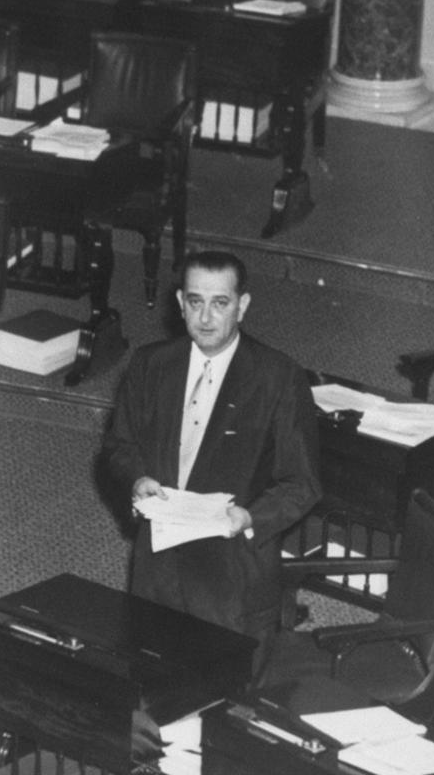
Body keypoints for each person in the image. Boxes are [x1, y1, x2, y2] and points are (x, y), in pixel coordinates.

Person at [98, 249, 320, 645]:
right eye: (196, 302)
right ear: (181, 303)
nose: (205, 318)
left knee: (224, 686)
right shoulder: (150, 365)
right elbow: (119, 444)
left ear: (242, 305)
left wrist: (250, 518)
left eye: (220, 303)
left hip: (231, 567)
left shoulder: (279, 378)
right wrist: (136, 480)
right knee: (150, 681)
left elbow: (301, 484)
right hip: (159, 564)